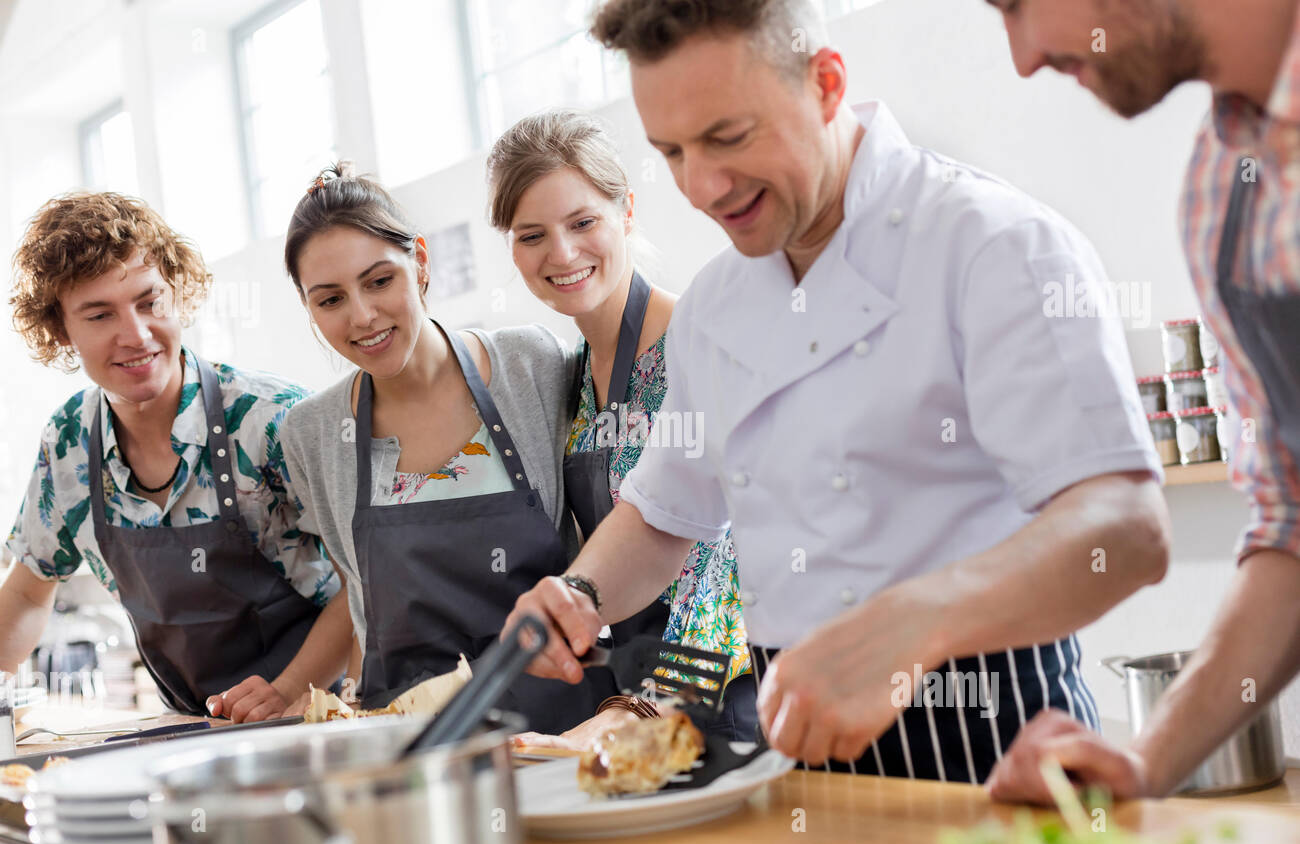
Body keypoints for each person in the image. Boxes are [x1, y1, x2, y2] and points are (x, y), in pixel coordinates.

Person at [500, 0, 1172, 781]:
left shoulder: (992, 245)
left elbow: (1125, 529)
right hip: (803, 760)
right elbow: (661, 516)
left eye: (729, 137)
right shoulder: (715, 307)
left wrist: (914, 623)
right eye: (673, 152)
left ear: (825, 84)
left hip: (1000, 744)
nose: (704, 185)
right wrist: (577, 593)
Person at [985, 0, 1300, 802]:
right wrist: (1146, 763)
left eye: (1015, 6)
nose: (1021, 59)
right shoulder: (1223, 191)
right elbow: (1293, 529)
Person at [278, 164, 616, 732]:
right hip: (417, 748)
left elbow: (613, 538)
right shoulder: (310, 433)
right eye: (330, 299)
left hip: (563, 731)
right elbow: (363, 610)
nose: (362, 316)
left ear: (422, 262)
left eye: (380, 280)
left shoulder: (534, 366)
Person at [0, 192, 349, 721]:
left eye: (149, 302)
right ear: (61, 330)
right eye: (99, 315)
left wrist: (288, 690)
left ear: (176, 293)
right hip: (188, 731)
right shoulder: (69, 442)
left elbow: (365, 575)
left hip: (313, 718)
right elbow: (27, 594)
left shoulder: (270, 418)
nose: (136, 335)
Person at [485, 108, 756, 744]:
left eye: (583, 222)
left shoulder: (695, 342)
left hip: (719, 705)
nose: (563, 253)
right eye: (532, 236)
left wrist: (633, 716)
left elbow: (722, 571)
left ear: (626, 211)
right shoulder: (573, 375)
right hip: (631, 702)